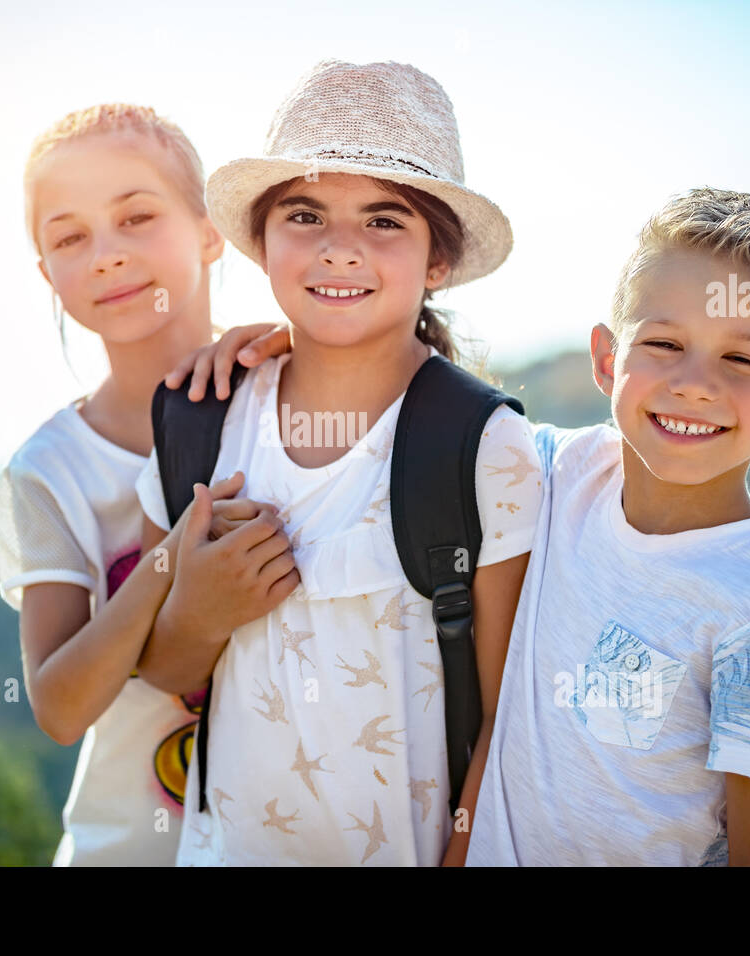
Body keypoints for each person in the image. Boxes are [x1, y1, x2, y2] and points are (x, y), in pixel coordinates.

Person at [133, 59, 544, 866]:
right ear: (260, 243)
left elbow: (506, 718)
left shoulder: (482, 445)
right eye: (306, 215)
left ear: (438, 263)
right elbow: (164, 670)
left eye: (385, 221)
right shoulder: (203, 419)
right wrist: (203, 610)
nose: (341, 250)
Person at [467, 187, 750, 866]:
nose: (695, 383)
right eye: (665, 342)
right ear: (608, 359)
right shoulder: (554, 473)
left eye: (743, 360)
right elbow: (414, 392)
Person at [0, 103, 292, 866]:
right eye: (69, 237)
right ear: (46, 273)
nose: (106, 256)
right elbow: (60, 707)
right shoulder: (49, 470)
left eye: (136, 217)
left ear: (208, 230)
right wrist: (170, 561)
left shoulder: (286, 392)